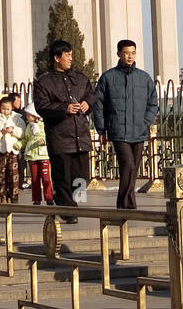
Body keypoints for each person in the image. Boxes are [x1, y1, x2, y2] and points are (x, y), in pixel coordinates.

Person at [33, 40, 97, 224]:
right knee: (62, 176)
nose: (70, 58)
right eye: (66, 55)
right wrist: (64, 108)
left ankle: (70, 201)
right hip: (60, 136)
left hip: (81, 135)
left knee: (82, 177)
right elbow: (42, 106)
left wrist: (88, 103)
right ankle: (68, 211)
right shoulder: (44, 82)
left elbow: (91, 94)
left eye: (71, 54)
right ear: (56, 58)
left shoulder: (80, 77)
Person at [94, 40, 158, 210]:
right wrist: (101, 128)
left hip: (139, 130)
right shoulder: (108, 77)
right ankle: (127, 203)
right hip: (118, 130)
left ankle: (125, 203)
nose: (130, 56)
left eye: (133, 52)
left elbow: (153, 103)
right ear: (119, 54)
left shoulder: (144, 78)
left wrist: (145, 122)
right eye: (126, 52)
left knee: (132, 168)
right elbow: (98, 104)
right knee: (128, 164)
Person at [0, 96, 24, 203]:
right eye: (3, 108)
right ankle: (3, 196)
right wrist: (0, 131)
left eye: (8, 109)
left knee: (13, 174)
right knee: (1, 175)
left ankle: (14, 196)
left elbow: (22, 132)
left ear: (11, 108)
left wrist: (13, 130)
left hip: (12, 150)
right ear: (0, 108)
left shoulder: (17, 118)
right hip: (0, 150)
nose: (5, 111)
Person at [20, 103, 53, 205]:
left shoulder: (43, 125)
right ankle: (36, 199)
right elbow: (26, 139)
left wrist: (42, 141)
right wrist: (19, 144)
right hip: (32, 156)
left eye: (29, 115)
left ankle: (49, 197)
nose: (27, 117)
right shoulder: (28, 127)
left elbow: (47, 136)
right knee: (34, 179)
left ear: (35, 116)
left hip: (43, 155)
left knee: (46, 177)